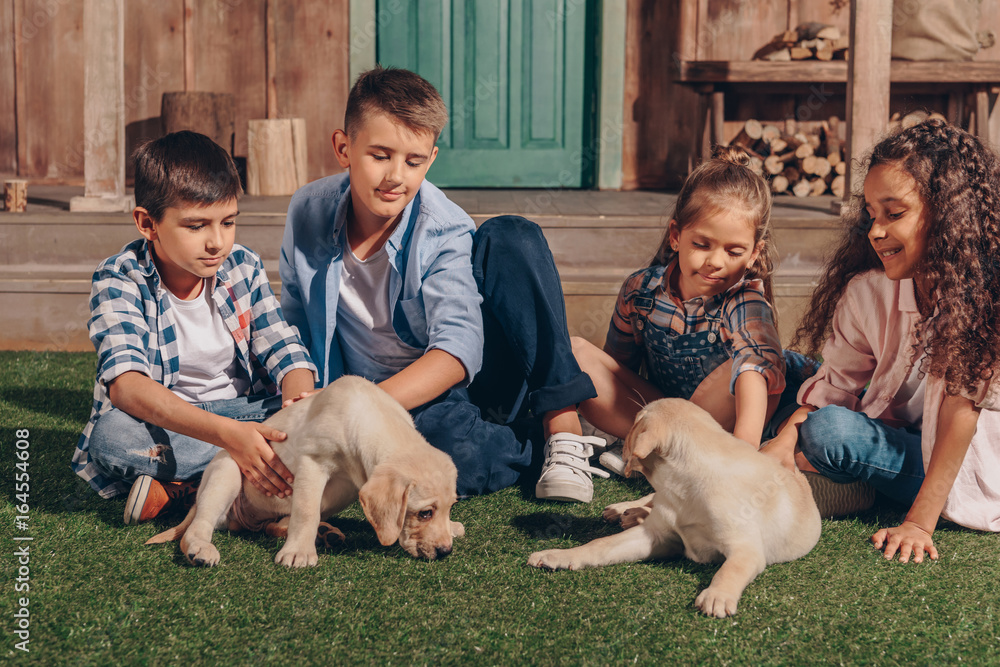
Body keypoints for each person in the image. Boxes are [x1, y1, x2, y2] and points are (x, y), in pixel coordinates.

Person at [280, 66, 604, 502]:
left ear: (431, 159)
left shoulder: (443, 227)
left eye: (413, 162)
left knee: (511, 235)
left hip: (449, 385)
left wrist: (356, 406)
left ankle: (557, 431)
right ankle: (519, 434)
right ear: (344, 147)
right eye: (380, 156)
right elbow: (295, 322)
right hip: (379, 400)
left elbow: (457, 353)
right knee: (428, 458)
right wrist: (304, 401)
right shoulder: (308, 211)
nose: (396, 176)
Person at [762, 119, 1000, 562]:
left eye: (895, 214)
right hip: (889, 434)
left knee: (828, 431)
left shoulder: (987, 298)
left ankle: (840, 482)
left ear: (950, 215)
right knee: (779, 369)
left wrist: (918, 523)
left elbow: (960, 413)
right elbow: (835, 384)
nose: (875, 231)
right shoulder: (868, 290)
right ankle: (804, 467)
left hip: (951, 465)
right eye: (871, 214)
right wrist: (781, 443)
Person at [73, 131, 317, 525]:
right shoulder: (119, 279)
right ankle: (245, 477)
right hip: (169, 423)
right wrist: (228, 436)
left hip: (245, 411)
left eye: (228, 222)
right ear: (147, 224)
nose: (217, 242)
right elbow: (128, 387)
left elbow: (285, 349)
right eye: (196, 226)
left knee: (319, 407)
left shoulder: (243, 265)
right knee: (111, 439)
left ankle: (181, 489)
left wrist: (298, 409)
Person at [571, 145, 798, 477]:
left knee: (748, 369)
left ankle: (694, 456)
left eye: (734, 251)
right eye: (702, 244)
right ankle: (652, 447)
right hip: (666, 413)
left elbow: (755, 373)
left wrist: (742, 457)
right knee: (576, 351)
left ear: (753, 253)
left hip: (722, 427)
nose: (715, 262)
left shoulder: (744, 301)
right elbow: (619, 371)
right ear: (676, 236)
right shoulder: (640, 291)